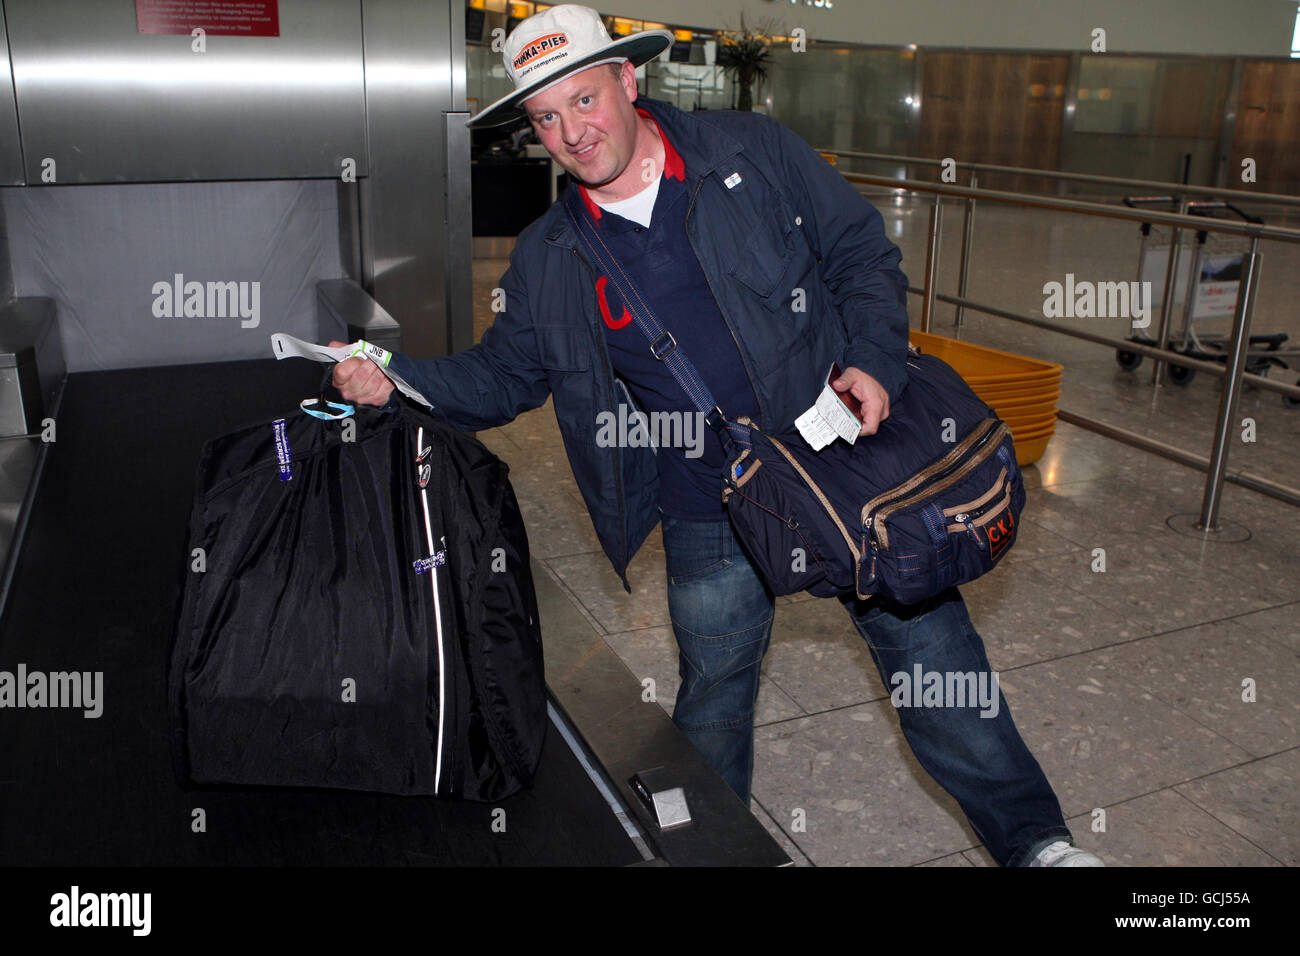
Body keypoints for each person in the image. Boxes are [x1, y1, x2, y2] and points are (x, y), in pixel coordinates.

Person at [333, 4, 1101, 867]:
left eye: (583, 101)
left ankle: (1039, 847)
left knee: (938, 671)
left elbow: (859, 252)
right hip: (712, 503)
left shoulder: (751, 154)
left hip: (849, 464)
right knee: (716, 695)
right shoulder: (551, 257)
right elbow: (502, 376)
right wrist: (388, 375)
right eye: (546, 118)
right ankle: (708, 856)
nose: (572, 134)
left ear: (629, 81)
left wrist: (877, 358)